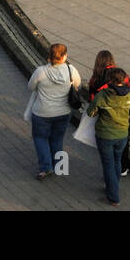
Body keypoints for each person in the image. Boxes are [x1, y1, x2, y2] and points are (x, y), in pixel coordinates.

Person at [87, 67, 130, 205]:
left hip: (105, 135)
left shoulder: (102, 95)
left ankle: (113, 196)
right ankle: (114, 186)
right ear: (124, 80)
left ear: (110, 80)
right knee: (117, 161)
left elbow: (91, 113)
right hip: (122, 134)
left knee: (108, 165)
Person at [26, 42, 80, 179]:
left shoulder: (41, 71)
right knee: (57, 139)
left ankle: (46, 167)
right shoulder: (70, 70)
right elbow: (77, 84)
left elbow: (31, 86)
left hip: (42, 112)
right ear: (64, 56)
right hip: (63, 112)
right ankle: (60, 166)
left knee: (40, 138)